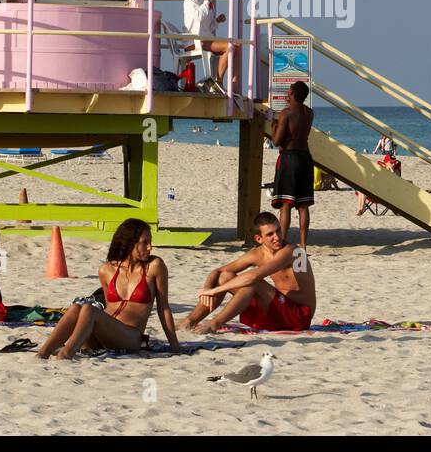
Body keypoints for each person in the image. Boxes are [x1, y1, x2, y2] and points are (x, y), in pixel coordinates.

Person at [36, 218, 180, 359]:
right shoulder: (106, 270)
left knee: (89, 308)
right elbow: (109, 306)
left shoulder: (155, 266)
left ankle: (65, 354)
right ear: (130, 244)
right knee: (77, 307)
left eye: (150, 242)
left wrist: (175, 346)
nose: (150, 247)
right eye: (145, 242)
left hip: (130, 336)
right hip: (101, 335)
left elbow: (163, 308)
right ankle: (42, 353)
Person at [179, 211, 316, 334]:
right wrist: (207, 288)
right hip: (275, 311)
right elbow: (220, 270)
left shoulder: (291, 251)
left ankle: (215, 324)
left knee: (254, 282)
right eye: (270, 234)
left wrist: (216, 291)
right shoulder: (257, 253)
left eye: (278, 231)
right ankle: (189, 321)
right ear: (259, 239)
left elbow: (254, 276)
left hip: (299, 316)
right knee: (225, 276)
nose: (277, 237)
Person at [271, 81, 315, 250]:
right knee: (303, 205)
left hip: (289, 158)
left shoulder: (286, 113)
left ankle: (282, 242)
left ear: (292, 94)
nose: (286, 95)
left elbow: (277, 141)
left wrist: (274, 125)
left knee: (286, 203)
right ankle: (303, 244)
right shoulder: (309, 113)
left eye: (288, 93)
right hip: (305, 157)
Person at [182, 0, 234, 88]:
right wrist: (206, 1)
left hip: (206, 39)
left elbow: (208, 27)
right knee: (229, 46)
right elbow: (199, 17)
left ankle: (234, 86)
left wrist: (217, 21)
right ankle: (217, 82)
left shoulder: (208, 1)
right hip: (195, 41)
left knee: (237, 46)